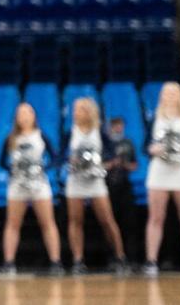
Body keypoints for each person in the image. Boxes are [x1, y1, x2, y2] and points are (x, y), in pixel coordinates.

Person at [63, 97, 128, 273]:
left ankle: (120, 256)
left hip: (95, 181)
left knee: (107, 220)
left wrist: (102, 164)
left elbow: (112, 154)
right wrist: (70, 161)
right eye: (75, 109)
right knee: (75, 221)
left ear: (89, 111)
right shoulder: (71, 132)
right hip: (76, 181)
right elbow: (61, 156)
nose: (76, 113)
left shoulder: (100, 132)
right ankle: (78, 260)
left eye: (80, 109)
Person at [0, 102, 62, 275]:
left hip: (39, 184)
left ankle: (55, 262)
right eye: (20, 113)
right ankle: (9, 262)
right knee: (12, 224)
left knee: (48, 222)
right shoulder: (10, 138)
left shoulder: (41, 135)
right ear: (16, 118)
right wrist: (12, 170)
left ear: (34, 115)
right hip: (17, 185)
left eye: (27, 112)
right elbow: (2, 162)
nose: (24, 116)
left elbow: (56, 158)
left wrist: (44, 168)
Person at [144, 82, 180, 276]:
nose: (170, 96)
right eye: (166, 93)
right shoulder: (153, 120)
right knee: (156, 218)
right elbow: (145, 146)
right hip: (159, 171)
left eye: (174, 93)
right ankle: (151, 261)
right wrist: (152, 149)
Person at [105, 116, 139, 259]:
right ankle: (112, 255)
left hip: (125, 185)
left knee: (128, 222)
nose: (118, 128)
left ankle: (130, 255)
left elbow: (135, 165)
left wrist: (125, 165)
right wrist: (111, 164)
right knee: (109, 221)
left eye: (120, 125)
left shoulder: (128, 143)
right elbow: (101, 165)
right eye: (115, 125)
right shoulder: (105, 143)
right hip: (108, 186)